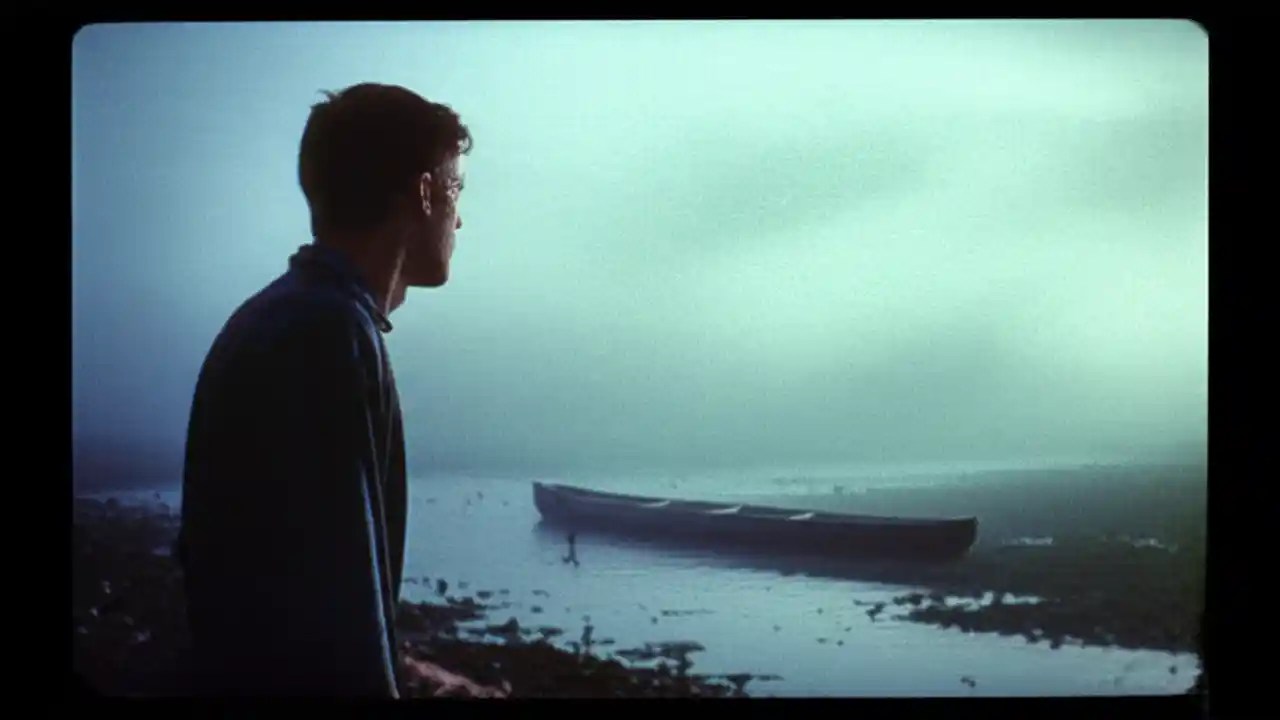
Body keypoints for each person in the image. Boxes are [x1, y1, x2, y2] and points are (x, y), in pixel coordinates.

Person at [177, 82, 470, 697]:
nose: (460, 217)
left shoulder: (292, 317)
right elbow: (339, 612)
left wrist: (408, 669)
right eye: (455, 190)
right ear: (422, 194)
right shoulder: (325, 334)